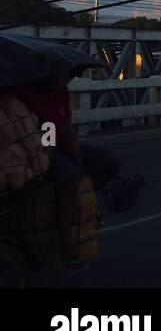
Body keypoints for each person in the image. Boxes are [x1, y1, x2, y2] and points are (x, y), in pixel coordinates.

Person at [11, 71, 120, 267]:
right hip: (35, 147)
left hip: (58, 143)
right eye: (62, 77)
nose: (66, 80)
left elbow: (65, 126)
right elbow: (41, 130)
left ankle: (77, 201)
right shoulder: (23, 94)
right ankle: (66, 244)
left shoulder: (61, 93)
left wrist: (71, 148)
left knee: (109, 162)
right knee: (69, 175)